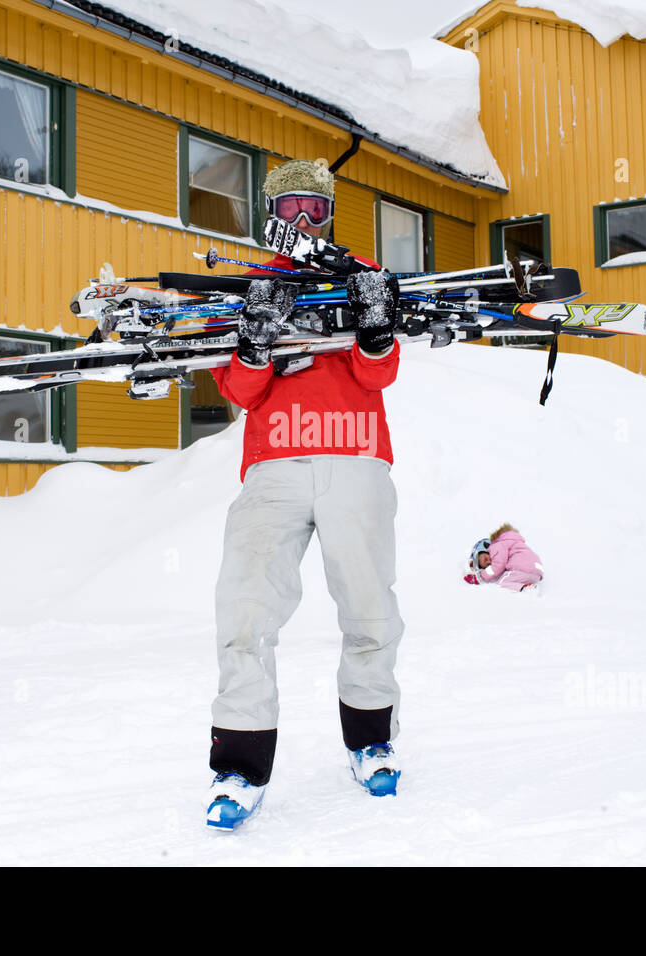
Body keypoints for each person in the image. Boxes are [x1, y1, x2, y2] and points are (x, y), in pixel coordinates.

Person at [204, 159, 406, 829]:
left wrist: (376, 327)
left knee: (370, 609)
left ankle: (371, 741)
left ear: (330, 216)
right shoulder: (254, 287)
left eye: (315, 211)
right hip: (274, 465)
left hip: (356, 458)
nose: (302, 222)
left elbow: (381, 374)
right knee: (245, 613)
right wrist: (254, 346)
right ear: (271, 214)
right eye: (290, 208)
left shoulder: (361, 275)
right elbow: (236, 390)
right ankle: (240, 765)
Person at [464, 523, 544, 592]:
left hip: (523, 568)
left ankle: (525, 589)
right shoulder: (512, 542)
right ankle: (528, 587)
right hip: (536, 573)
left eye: (485, 559)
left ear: (485, 549)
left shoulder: (497, 546)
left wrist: (480, 577)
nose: (489, 562)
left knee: (501, 584)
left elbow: (498, 566)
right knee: (510, 581)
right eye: (488, 565)